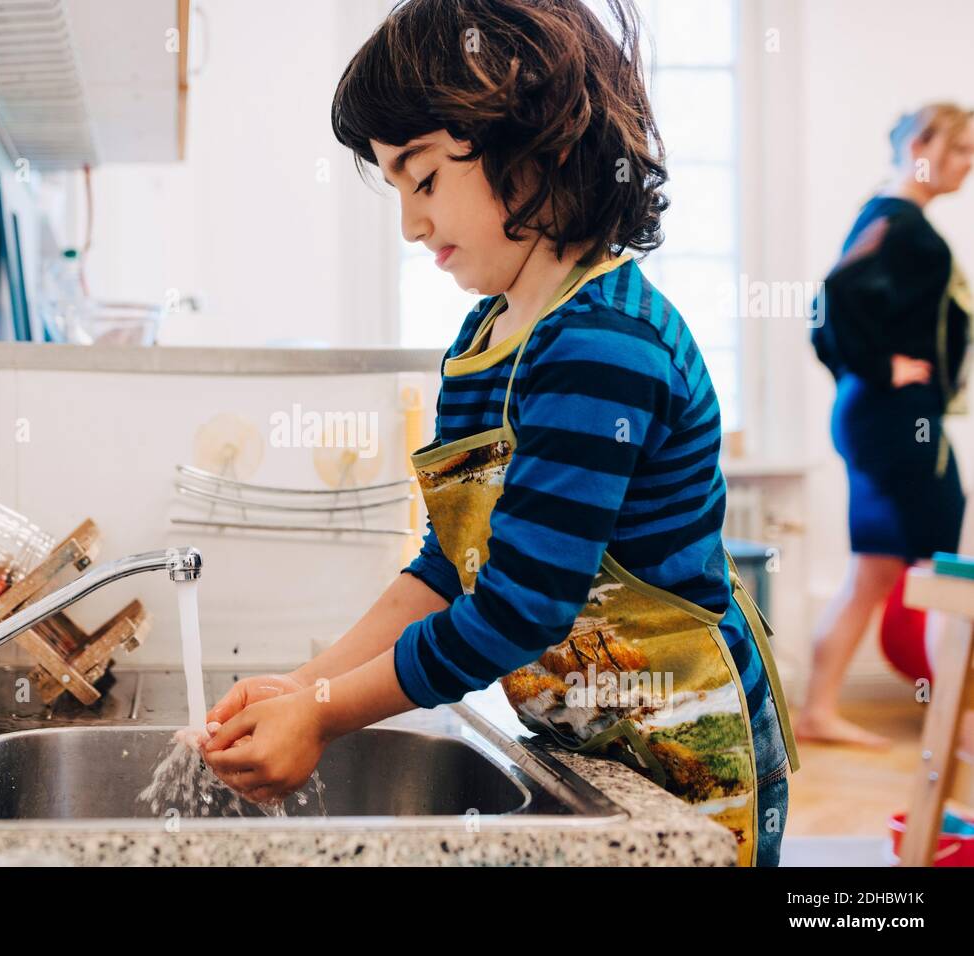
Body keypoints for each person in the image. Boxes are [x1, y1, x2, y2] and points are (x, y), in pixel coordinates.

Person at [199, 0, 799, 866]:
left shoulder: (603, 347)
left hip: (690, 764)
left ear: (540, 144)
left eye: (426, 178)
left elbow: (521, 607)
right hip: (584, 746)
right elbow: (449, 568)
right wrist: (306, 682)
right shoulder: (486, 340)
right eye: (396, 186)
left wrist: (326, 713)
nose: (410, 224)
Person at [806, 103, 974, 748]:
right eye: (959, 151)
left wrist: (865, 375)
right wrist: (881, 368)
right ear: (923, 145)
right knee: (945, 571)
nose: (965, 167)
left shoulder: (887, 216)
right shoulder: (900, 222)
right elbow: (832, 298)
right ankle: (953, 728)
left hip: (882, 417)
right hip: (896, 421)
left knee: (875, 572)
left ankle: (821, 711)